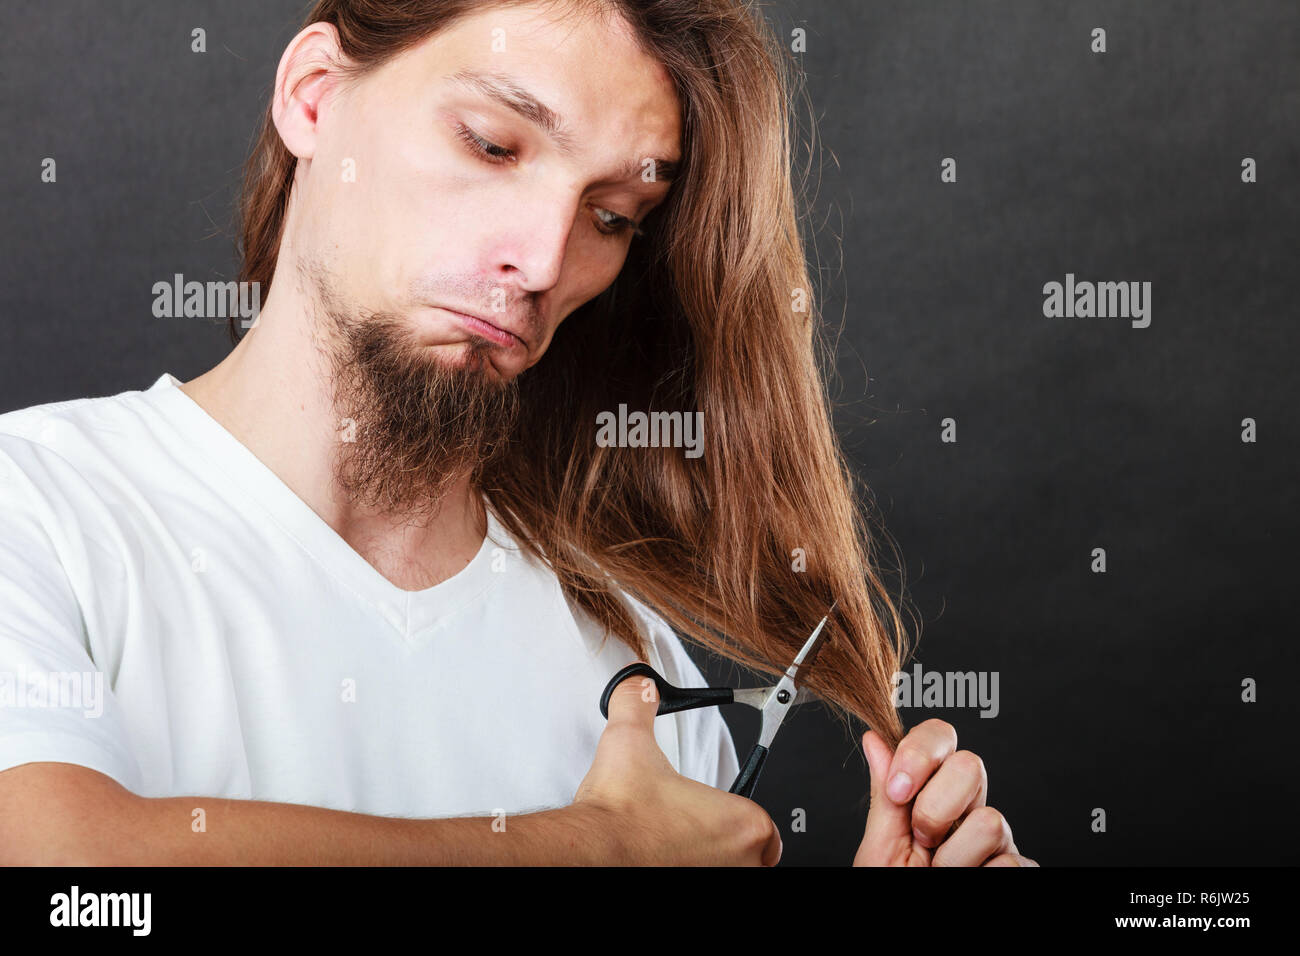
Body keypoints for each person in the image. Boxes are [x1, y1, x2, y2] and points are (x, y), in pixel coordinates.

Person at [0, 0, 1033, 865]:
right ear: (313, 96)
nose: (543, 258)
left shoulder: (638, 681)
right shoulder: (35, 512)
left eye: (614, 215)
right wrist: (592, 845)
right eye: (493, 144)